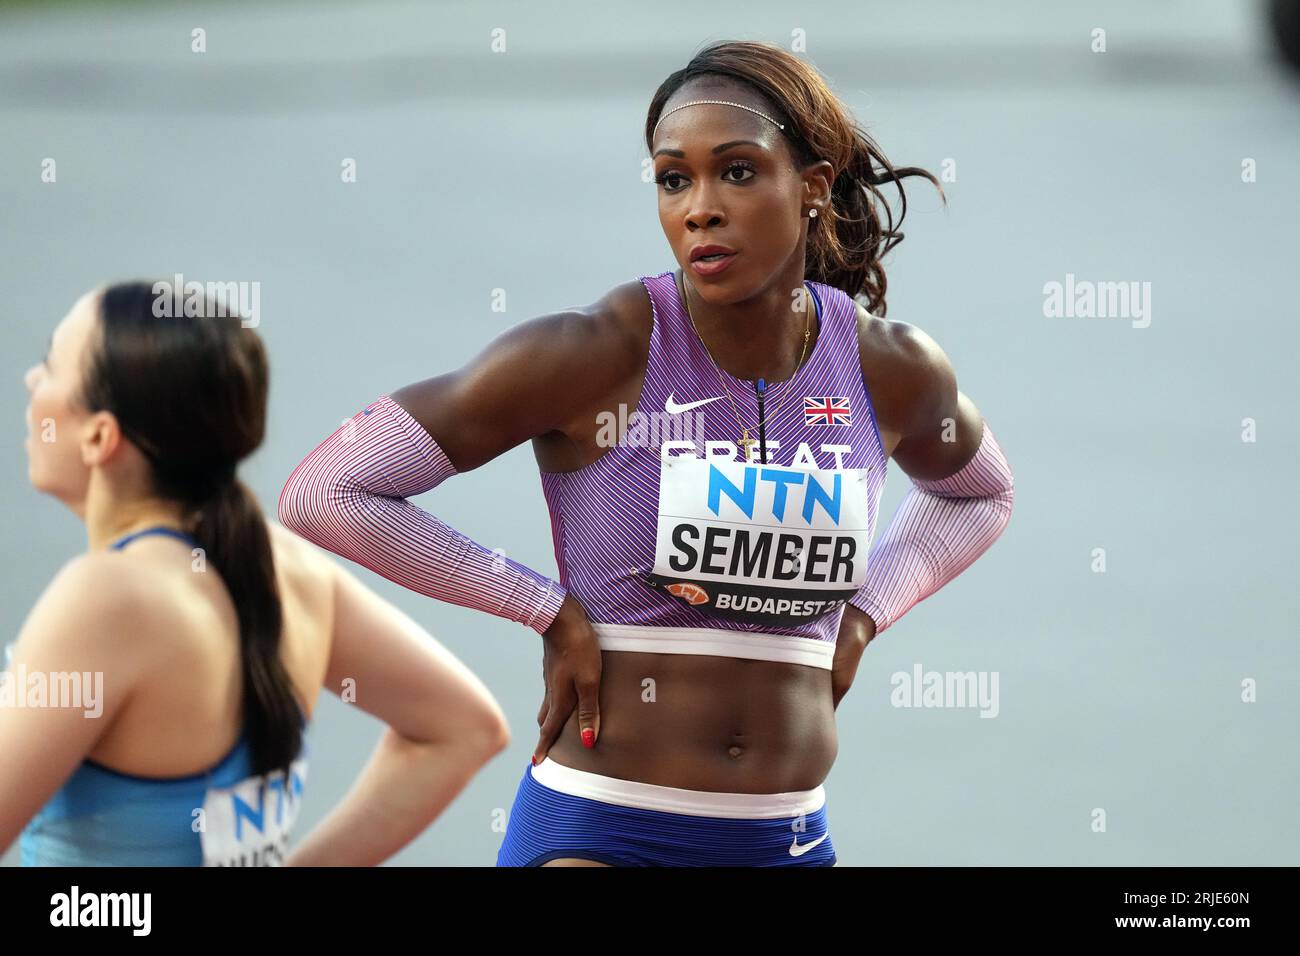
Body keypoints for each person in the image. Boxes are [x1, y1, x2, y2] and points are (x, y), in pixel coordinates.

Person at [278, 40, 1015, 867]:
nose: (700, 207)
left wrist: (864, 614)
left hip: (788, 836)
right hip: (602, 829)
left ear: (810, 187)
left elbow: (982, 497)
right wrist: (543, 607)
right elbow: (326, 491)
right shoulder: (596, 352)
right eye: (674, 179)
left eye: (736, 171)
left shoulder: (890, 368)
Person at [1, 280, 510, 866]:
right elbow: (465, 727)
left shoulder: (106, 598)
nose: (31, 381)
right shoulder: (282, 566)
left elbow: (465, 729)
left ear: (99, 436)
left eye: (49, 364)